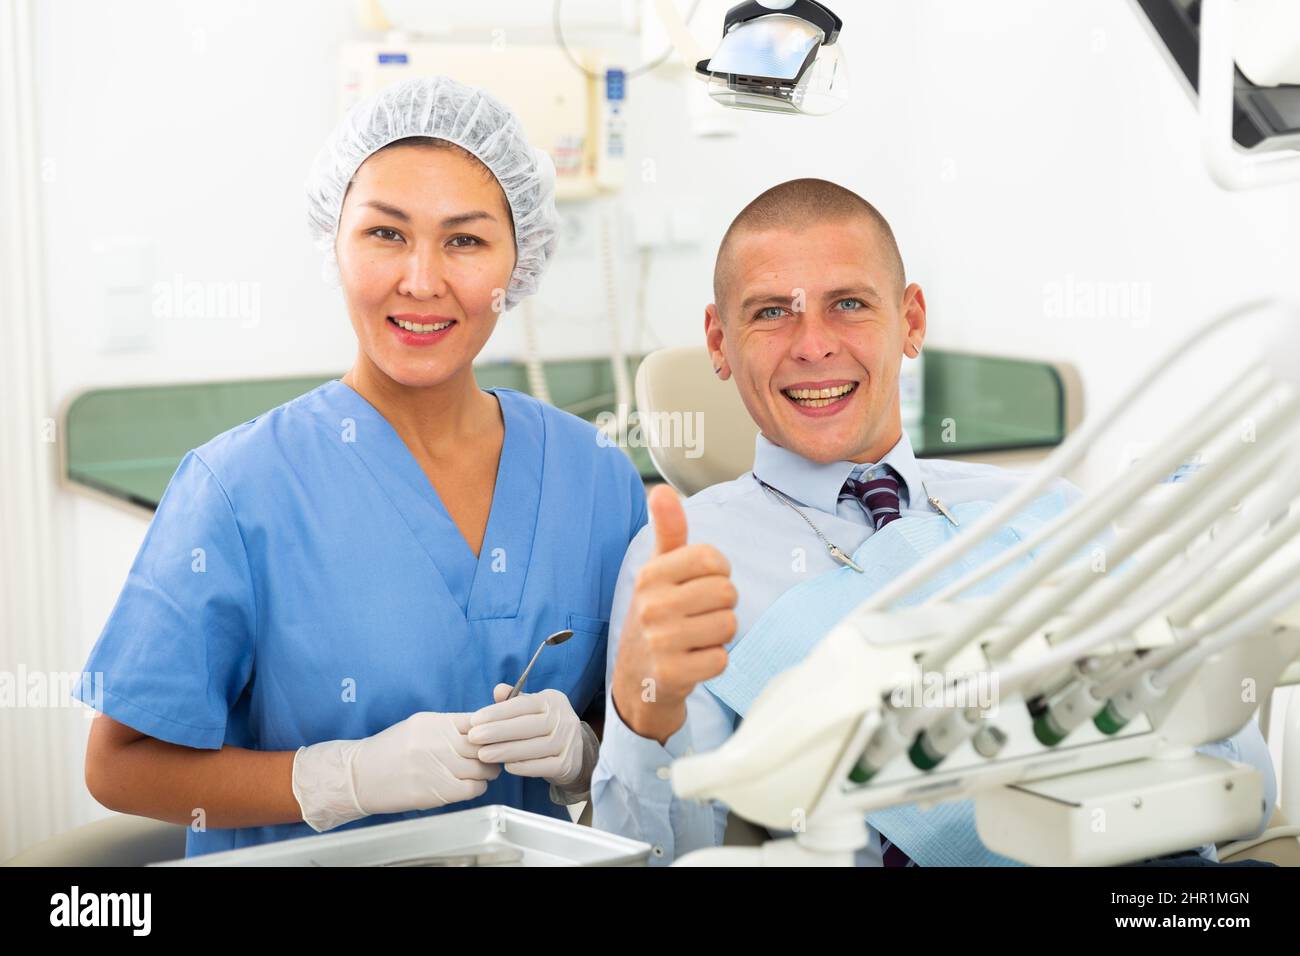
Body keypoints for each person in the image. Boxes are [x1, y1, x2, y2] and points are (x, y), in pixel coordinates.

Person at [590, 177, 1277, 866]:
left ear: (911, 320)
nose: (813, 345)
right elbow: (659, 857)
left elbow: (1243, 780)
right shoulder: (686, 567)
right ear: (719, 339)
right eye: (772, 312)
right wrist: (642, 714)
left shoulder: (1045, 508)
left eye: (849, 304)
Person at [74, 76, 647, 857]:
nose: (421, 279)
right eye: (386, 234)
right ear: (333, 243)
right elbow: (120, 767)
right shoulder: (239, 489)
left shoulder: (597, 477)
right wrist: (340, 779)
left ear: (520, 260)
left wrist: (585, 753)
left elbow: (649, 721)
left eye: (466, 239)